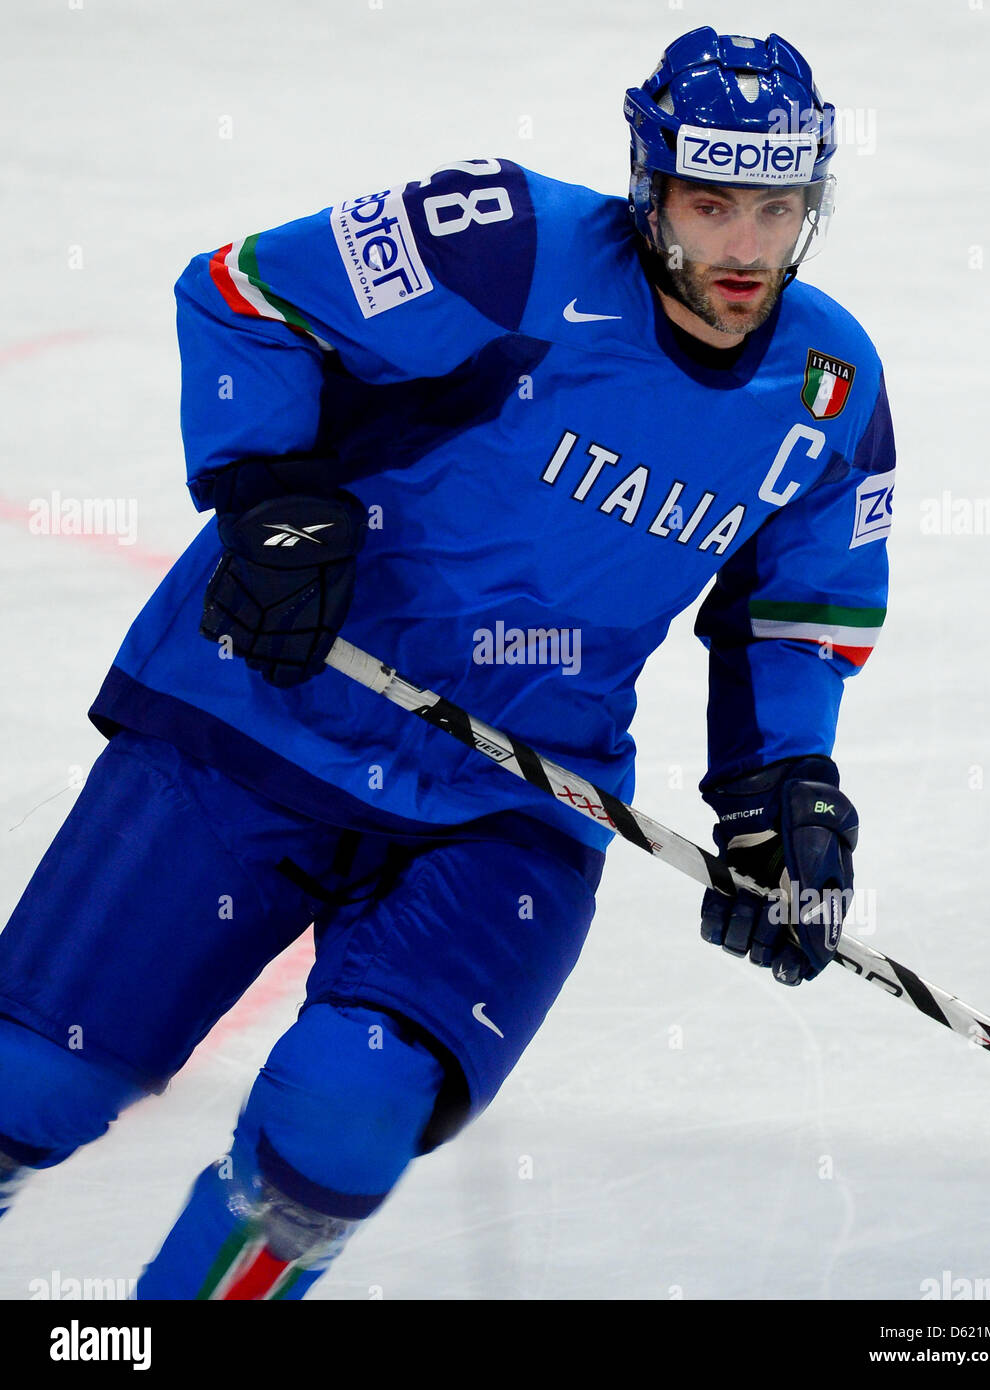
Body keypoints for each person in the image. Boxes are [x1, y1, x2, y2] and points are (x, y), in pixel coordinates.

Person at [0, 26, 893, 1299]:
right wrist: (268, 495)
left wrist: (782, 789)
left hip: (511, 797)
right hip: (266, 707)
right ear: (650, 189)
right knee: (37, 1078)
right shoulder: (500, 242)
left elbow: (796, 609)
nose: (743, 247)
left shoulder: (830, 385)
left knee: (349, 1106)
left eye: (775, 207)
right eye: (709, 206)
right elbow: (245, 292)